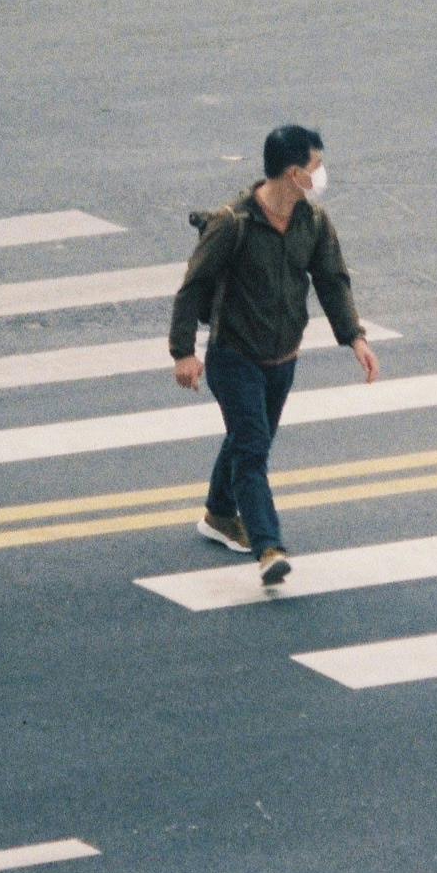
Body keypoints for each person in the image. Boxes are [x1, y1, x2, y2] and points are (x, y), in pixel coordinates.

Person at [170, 124, 379, 587]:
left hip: (283, 359)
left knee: (249, 437)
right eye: (316, 166)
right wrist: (183, 352)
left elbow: (332, 280)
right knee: (252, 451)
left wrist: (355, 338)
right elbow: (193, 287)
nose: (321, 174)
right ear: (293, 173)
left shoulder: (313, 221)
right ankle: (268, 547)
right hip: (234, 357)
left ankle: (219, 513)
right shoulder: (234, 223)